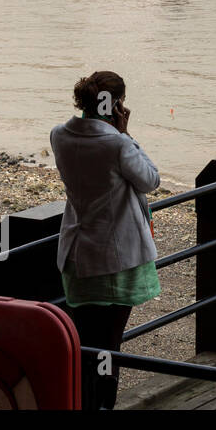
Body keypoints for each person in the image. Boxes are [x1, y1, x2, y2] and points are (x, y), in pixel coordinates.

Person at [50, 70, 161, 409]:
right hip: (115, 259)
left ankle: (82, 402)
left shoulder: (59, 136)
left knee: (83, 342)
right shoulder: (116, 143)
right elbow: (150, 180)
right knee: (110, 345)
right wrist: (125, 133)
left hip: (76, 255)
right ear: (116, 106)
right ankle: (103, 407)